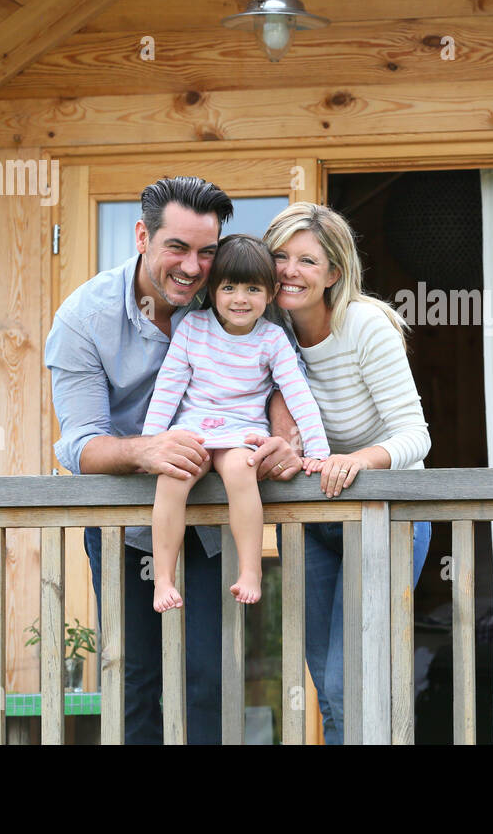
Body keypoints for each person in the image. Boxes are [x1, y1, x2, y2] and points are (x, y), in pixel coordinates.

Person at [44, 177, 303, 744]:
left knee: (210, 675)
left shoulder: (237, 297)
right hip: (130, 523)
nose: (192, 267)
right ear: (142, 236)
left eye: (206, 251)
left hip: (215, 516)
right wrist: (145, 448)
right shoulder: (83, 320)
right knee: (135, 677)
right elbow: (79, 445)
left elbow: (281, 372)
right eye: (177, 248)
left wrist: (288, 438)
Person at [263, 202, 433, 744]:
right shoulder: (265, 330)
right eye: (280, 257)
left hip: (385, 517)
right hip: (315, 519)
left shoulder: (365, 325)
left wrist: (355, 459)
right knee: (329, 686)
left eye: (308, 260)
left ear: (334, 272)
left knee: (350, 680)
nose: (291, 270)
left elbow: (415, 435)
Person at [143, 235, 329, 611]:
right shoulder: (193, 328)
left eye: (252, 288)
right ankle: (163, 577)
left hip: (240, 433)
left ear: (271, 291)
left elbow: (298, 394)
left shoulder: (272, 339)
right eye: (228, 287)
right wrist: (151, 444)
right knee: (172, 480)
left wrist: (319, 450)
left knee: (243, 472)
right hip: (192, 430)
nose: (240, 298)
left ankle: (250, 570)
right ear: (213, 290)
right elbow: (168, 387)